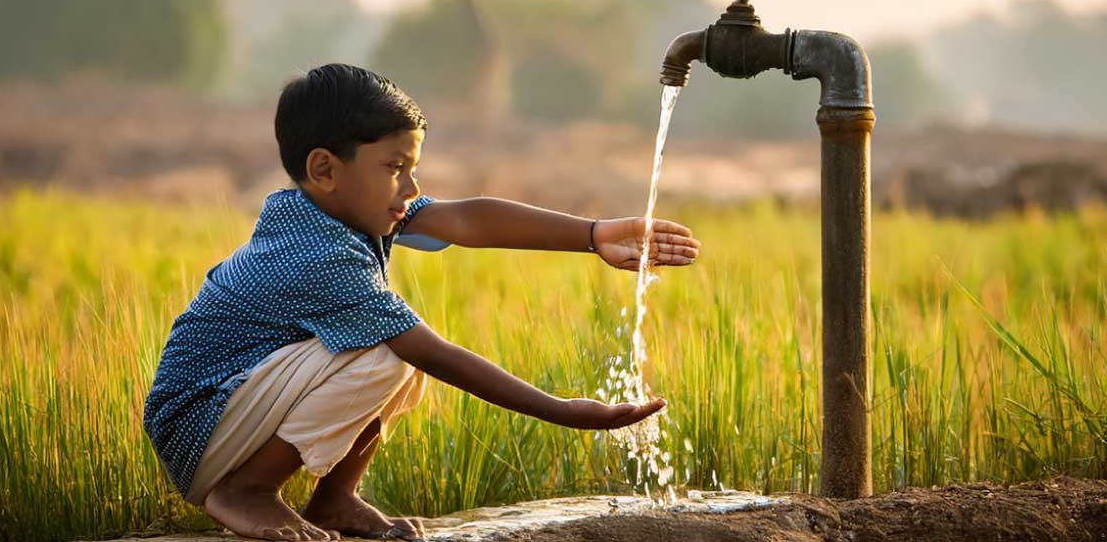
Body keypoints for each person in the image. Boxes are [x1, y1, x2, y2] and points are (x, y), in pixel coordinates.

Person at [143, 64, 699, 541]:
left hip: (234, 408)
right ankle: (247, 490)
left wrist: (594, 233)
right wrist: (563, 411)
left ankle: (334, 499)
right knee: (391, 353)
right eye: (393, 168)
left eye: (411, 167)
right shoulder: (315, 251)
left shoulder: (338, 208)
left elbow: (464, 218)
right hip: (200, 423)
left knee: (390, 355)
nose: (410, 188)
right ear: (324, 169)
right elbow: (432, 352)